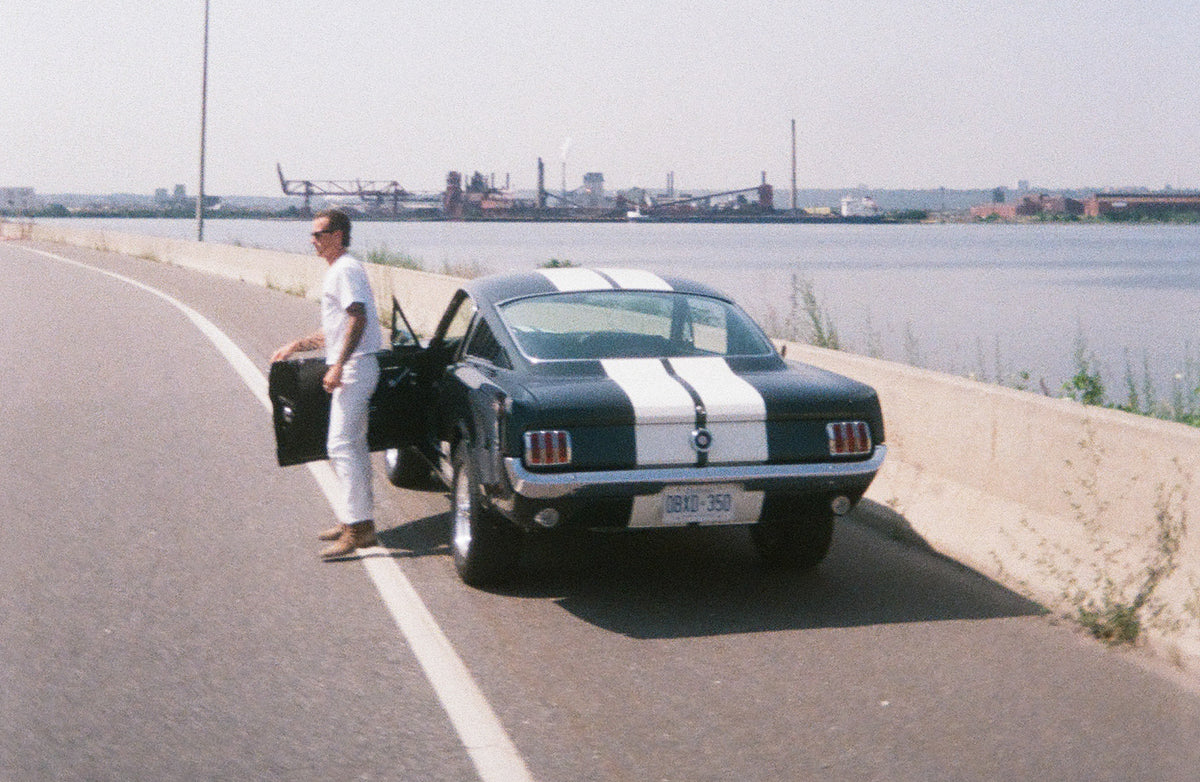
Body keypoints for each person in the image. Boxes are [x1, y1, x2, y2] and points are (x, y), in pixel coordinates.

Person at [271, 209, 383, 559]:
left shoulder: (345, 270)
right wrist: (296, 345)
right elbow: (335, 329)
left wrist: (339, 366)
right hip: (356, 365)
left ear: (338, 235)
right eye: (313, 234)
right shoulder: (339, 271)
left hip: (356, 367)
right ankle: (359, 521)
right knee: (352, 446)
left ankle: (357, 527)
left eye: (319, 234)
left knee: (340, 444)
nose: (313, 241)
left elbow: (358, 318)